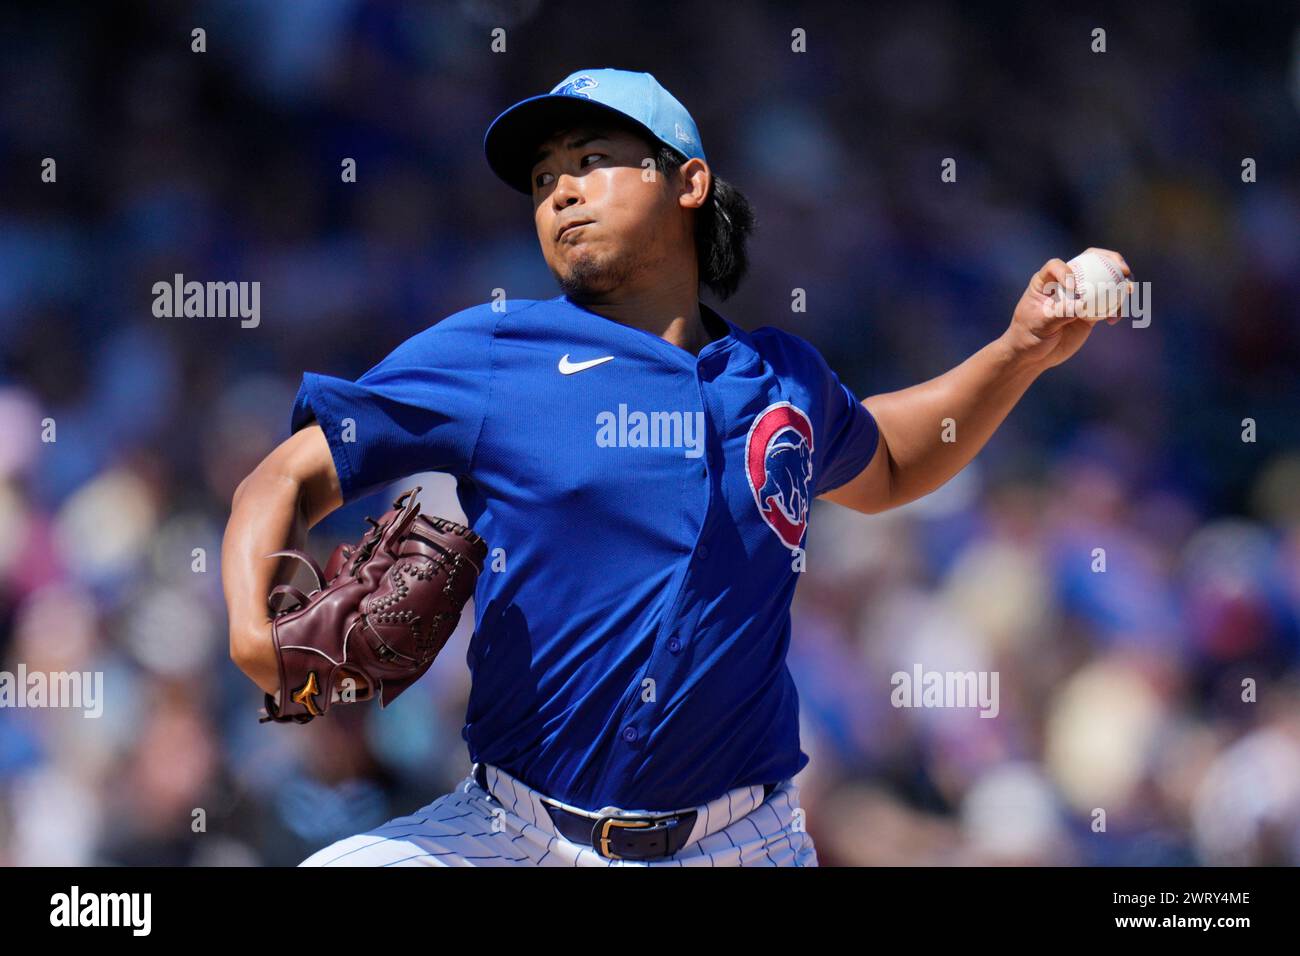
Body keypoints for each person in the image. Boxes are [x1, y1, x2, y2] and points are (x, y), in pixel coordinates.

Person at [222, 67, 1131, 866]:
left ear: (689, 181)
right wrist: (253, 627)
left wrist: (1020, 350)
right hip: (510, 835)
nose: (561, 193)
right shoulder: (498, 354)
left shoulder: (778, 378)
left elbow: (889, 459)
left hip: (744, 842)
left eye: (590, 162)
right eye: (543, 181)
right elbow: (288, 475)